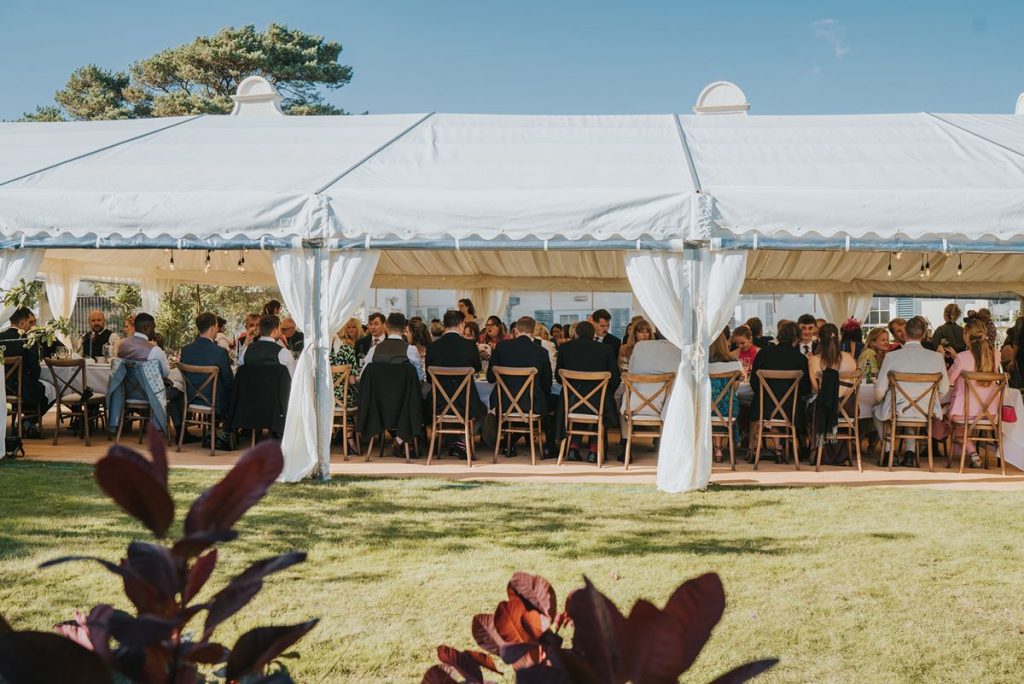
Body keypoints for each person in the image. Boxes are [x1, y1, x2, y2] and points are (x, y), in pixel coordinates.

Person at [873, 316, 949, 467]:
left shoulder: (891, 356)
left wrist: (882, 400)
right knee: (912, 408)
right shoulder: (937, 357)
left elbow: (879, 391)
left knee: (877, 411)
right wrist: (929, 401)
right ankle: (910, 454)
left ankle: (889, 452)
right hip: (925, 411)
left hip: (897, 409)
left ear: (906, 333)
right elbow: (945, 388)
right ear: (923, 334)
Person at [488, 316, 554, 458]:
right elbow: (547, 384)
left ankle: (509, 440)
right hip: (532, 405)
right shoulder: (541, 352)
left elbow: (490, 378)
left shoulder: (501, 347)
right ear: (533, 332)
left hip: (504, 404)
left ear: (516, 330)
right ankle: (548, 446)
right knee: (554, 404)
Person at [556, 320, 620, 463]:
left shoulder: (565, 348)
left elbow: (558, 377)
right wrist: (604, 391)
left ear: (576, 334)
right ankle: (593, 451)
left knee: (581, 404)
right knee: (599, 404)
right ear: (593, 335)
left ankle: (573, 448)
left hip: (571, 402)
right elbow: (615, 378)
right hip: (597, 403)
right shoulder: (606, 349)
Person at [426, 310, 485, 459]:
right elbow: (477, 368)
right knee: (482, 410)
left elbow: (429, 379)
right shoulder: (469, 346)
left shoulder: (433, 346)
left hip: (439, 403)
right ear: (461, 325)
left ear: (444, 325)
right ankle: (461, 441)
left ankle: (453, 442)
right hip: (466, 403)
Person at [749, 321, 811, 462]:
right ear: (796, 339)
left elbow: (754, 384)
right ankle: (787, 449)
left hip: (764, 408)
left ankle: (756, 449)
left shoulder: (763, 353)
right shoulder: (800, 359)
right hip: (791, 410)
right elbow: (806, 389)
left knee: (757, 404)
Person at [945, 318, 1000, 468]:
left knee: (946, 418)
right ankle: (970, 451)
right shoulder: (996, 354)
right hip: (989, 413)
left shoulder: (962, 357)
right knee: (954, 419)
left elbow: (948, 380)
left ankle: (972, 452)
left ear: (967, 334)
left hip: (964, 413)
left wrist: (954, 360)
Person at [0, 307, 54, 437]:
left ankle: (25, 421)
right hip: (22, 388)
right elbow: (35, 372)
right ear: (22, 322)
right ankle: (28, 421)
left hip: (2, 388)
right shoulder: (27, 340)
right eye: (29, 323)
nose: (31, 327)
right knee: (51, 389)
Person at [178, 312, 233, 439]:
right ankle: (227, 434)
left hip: (190, 399)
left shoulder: (186, 350)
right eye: (217, 326)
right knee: (234, 392)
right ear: (213, 327)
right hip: (214, 401)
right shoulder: (220, 352)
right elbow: (229, 381)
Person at [708, 328, 742, 459]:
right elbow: (735, 388)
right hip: (729, 410)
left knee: (713, 407)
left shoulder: (702, 366)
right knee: (726, 404)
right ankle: (719, 448)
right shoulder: (735, 364)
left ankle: (714, 448)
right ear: (724, 344)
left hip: (707, 409)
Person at [364, 312, 424, 381]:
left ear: (386, 327)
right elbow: (419, 378)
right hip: (404, 387)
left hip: (378, 387)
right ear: (404, 329)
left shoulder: (374, 350)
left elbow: (364, 375)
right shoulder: (411, 350)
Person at [808, 324, 857, 395]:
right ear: (837, 339)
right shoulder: (849, 357)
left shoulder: (814, 360)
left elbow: (815, 390)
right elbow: (855, 383)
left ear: (820, 340)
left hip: (824, 401)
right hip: (849, 401)